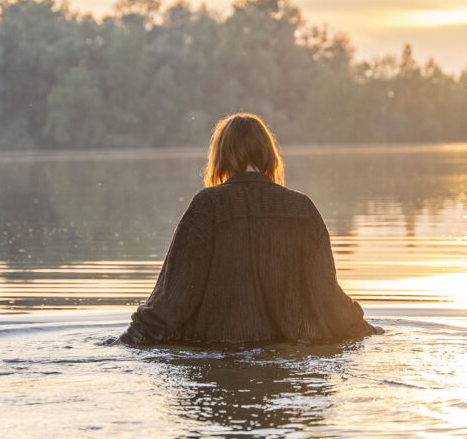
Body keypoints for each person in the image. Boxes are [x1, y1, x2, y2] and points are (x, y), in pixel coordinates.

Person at [119, 112, 378, 347]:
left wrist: (129, 340)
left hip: (221, 353)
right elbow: (325, 292)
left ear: (219, 157)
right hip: (292, 361)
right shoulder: (302, 209)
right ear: (269, 155)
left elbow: (174, 295)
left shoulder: (207, 205)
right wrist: (363, 329)